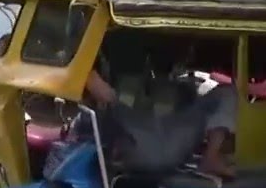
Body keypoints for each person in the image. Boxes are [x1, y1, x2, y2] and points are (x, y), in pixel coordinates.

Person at [84, 66, 236, 177]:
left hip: (158, 139)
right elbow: (106, 97)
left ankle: (211, 157)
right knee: (228, 93)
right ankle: (211, 156)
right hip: (151, 145)